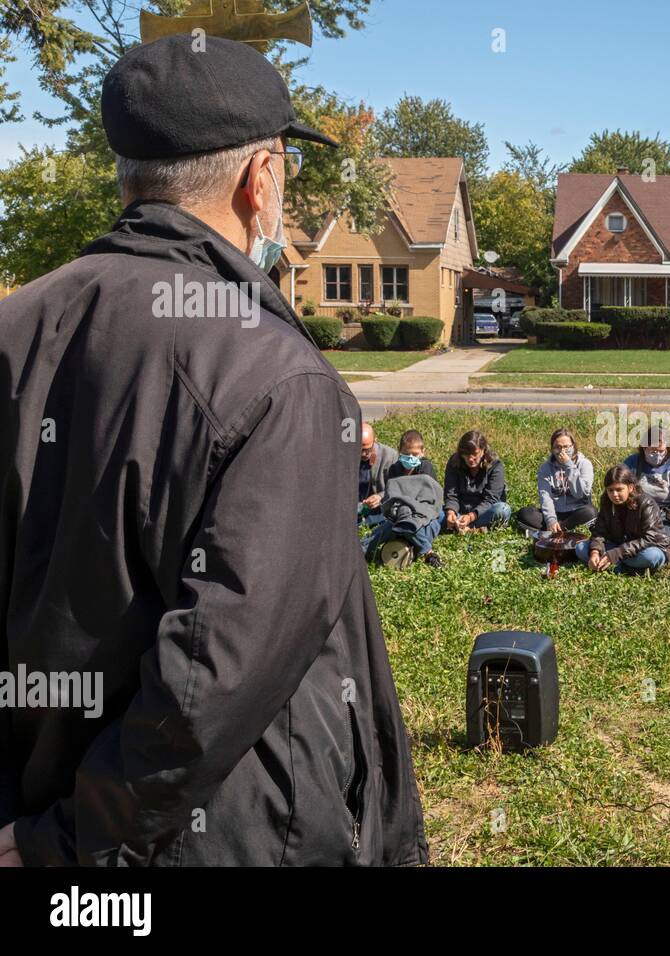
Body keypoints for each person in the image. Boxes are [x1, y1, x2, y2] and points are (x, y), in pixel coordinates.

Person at [0, 36, 425, 866]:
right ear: (258, 180)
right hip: (229, 836)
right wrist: (70, 839)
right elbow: (216, 675)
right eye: (286, 176)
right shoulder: (282, 378)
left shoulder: (16, 329)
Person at [575, 465, 670, 574]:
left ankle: (616, 566)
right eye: (610, 490)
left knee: (652, 556)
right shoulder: (606, 500)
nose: (614, 494)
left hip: (646, 548)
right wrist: (595, 552)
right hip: (618, 546)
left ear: (630, 487)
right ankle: (626, 568)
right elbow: (600, 531)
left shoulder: (646, 503)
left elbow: (651, 538)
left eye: (619, 489)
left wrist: (617, 553)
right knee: (581, 548)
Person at [363, 430, 444, 566]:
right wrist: (402, 512)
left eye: (415, 454)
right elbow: (393, 497)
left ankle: (418, 548)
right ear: (399, 451)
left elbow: (429, 500)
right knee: (383, 530)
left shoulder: (426, 468)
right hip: (400, 514)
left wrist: (408, 511)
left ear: (423, 452)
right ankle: (360, 550)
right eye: (406, 454)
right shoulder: (395, 469)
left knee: (416, 526)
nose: (410, 457)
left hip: (424, 515)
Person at [516, 427, 596, 533]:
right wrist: (551, 520)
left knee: (591, 512)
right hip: (556, 512)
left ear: (573, 446)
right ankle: (557, 528)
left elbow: (581, 493)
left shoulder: (584, 464)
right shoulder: (545, 468)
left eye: (566, 447)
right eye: (557, 447)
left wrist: (569, 466)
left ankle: (556, 530)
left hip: (577, 511)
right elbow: (546, 497)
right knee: (525, 513)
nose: (562, 451)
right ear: (552, 449)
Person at [623, 426, 670, 540]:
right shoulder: (632, 462)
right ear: (644, 448)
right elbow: (620, 485)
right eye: (653, 450)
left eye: (661, 451)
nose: (657, 455)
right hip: (638, 509)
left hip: (664, 512)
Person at [443, 429, 510, 533]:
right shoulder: (454, 462)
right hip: (460, 511)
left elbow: (491, 499)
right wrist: (451, 512)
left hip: (483, 512)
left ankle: (463, 528)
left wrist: (471, 516)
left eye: (475, 453)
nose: (470, 458)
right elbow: (451, 493)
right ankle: (468, 528)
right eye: (466, 454)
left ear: (483, 450)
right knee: (434, 511)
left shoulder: (495, 465)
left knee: (503, 510)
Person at [359, 422, 398, 525]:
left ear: (375, 441)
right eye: (359, 449)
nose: (363, 454)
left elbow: (397, 487)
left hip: (380, 509)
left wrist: (380, 496)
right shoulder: (346, 455)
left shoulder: (390, 456)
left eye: (367, 450)